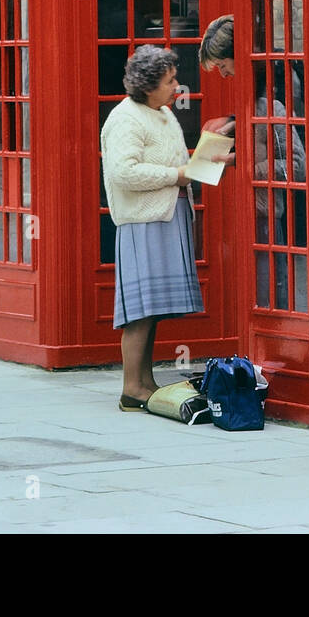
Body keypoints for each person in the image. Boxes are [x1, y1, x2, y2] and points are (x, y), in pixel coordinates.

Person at [100, 45, 204, 411]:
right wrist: (176, 175)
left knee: (154, 308)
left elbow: (176, 160)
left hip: (167, 216)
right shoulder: (126, 118)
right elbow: (122, 173)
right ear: (147, 85)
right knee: (139, 311)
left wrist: (210, 158)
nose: (177, 86)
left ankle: (145, 382)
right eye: (170, 80)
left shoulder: (161, 113)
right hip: (144, 220)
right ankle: (131, 387)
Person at [198, 15, 306, 309]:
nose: (223, 75)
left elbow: (297, 166)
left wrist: (242, 163)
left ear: (239, 56)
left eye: (223, 66)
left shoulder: (272, 105)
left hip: (266, 217)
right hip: (242, 217)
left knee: (271, 294)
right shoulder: (247, 105)